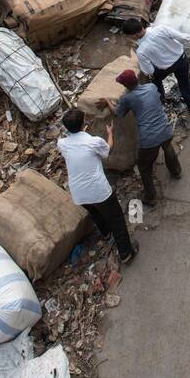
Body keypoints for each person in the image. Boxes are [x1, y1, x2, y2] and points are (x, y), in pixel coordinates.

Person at [57, 108, 137, 264]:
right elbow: (108, 151)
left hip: (79, 194)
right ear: (83, 123)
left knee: (95, 212)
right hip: (98, 190)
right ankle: (126, 252)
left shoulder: (62, 144)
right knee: (117, 219)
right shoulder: (93, 142)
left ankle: (105, 233)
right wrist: (110, 133)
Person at [107, 69, 182, 205]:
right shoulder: (151, 87)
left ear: (125, 85)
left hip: (149, 139)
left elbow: (117, 113)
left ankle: (151, 196)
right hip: (165, 129)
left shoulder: (127, 98)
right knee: (168, 148)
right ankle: (176, 171)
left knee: (144, 166)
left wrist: (107, 101)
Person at [121, 17, 190, 117]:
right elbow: (181, 37)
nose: (130, 38)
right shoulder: (161, 29)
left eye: (129, 36)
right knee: (185, 85)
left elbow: (149, 71)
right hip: (181, 59)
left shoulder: (141, 51)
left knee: (155, 79)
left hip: (165, 69)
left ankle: (161, 99)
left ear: (134, 35)